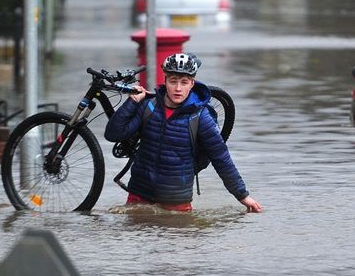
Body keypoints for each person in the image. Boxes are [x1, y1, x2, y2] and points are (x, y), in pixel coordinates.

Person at [104, 53, 263, 213]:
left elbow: (221, 158)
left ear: (192, 83)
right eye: (173, 81)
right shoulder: (149, 107)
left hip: (175, 201)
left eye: (184, 82)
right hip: (139, 193)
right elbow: (113, 134)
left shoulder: (200, 117)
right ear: (165, 81)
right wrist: (132, 102)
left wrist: (242, 195)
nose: (178, 88)